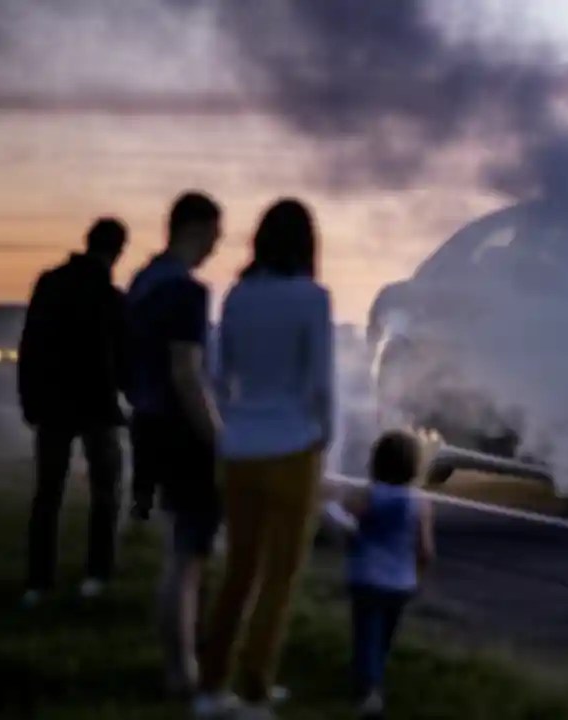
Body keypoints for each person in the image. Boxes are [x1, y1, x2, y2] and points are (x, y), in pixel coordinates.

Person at [194, 198, 334, 719]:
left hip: (240, 447)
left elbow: (216, 374)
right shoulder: (313, 298)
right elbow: (320, 381)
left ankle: (211, 687)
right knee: (280, 574)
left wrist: (232, 420)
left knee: (239, 568)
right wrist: (325, 436)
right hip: (293, 443)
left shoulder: (238, 296)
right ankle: (255, 686)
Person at [124, 191, 223, 696]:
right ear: (195, 228)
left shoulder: (142, 283)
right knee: (190, 556)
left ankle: (182, 659)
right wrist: (216, 437)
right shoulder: (186, 292)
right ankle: (183, 669)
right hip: (184, 432)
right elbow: (187, 374)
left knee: (179, 550)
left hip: (148, 422)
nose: (214, 248)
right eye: (214, 236)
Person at [18, 217, 130, 607]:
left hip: (51, 402)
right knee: (106, 492)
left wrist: (28, 399)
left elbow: (30, 343)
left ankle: (38, 582)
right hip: (97, 406)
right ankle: (96, 574)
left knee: (47, 494)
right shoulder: (111, 298)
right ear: (118, 251)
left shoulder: (49, 284)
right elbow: (122, 358)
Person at [342, 430, 436, 719]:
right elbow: (426, 549)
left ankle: (368, 691)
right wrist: (418, 575)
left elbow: (345, 517)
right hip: (401, 582)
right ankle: (373, 681)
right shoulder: (420, 502)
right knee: (384, 637)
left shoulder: (368, 495)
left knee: (366, 635)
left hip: (367, 576)